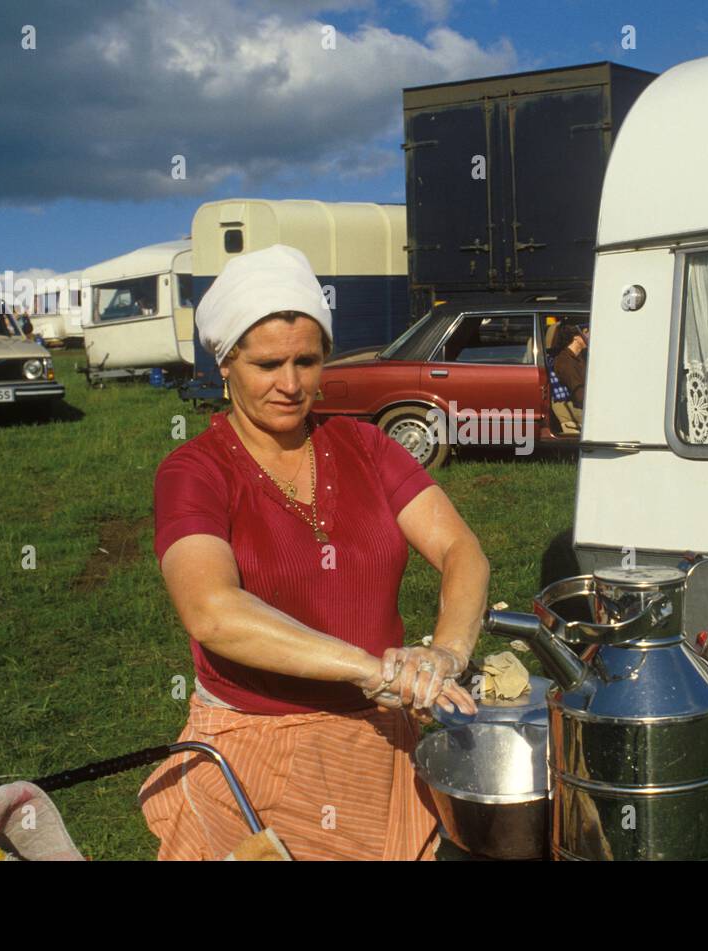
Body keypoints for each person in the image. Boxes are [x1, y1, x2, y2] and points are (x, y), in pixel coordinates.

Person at [139, 245, 487, 861]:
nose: (292, 384)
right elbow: (212, 611)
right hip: (258, 748)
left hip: (380, 744)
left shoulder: (366, 447)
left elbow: (462, 549)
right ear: (225, 362)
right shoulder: (195, 472)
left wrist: (446, 652)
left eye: (307, 360)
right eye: (267, 364)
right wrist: (368, 670)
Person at [552, 322, 589, 411]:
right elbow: (579, 395)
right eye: (586, 332)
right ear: (576, 337)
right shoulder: (565, 361)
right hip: (579, 408)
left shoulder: (580, 357)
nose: (589, 336)